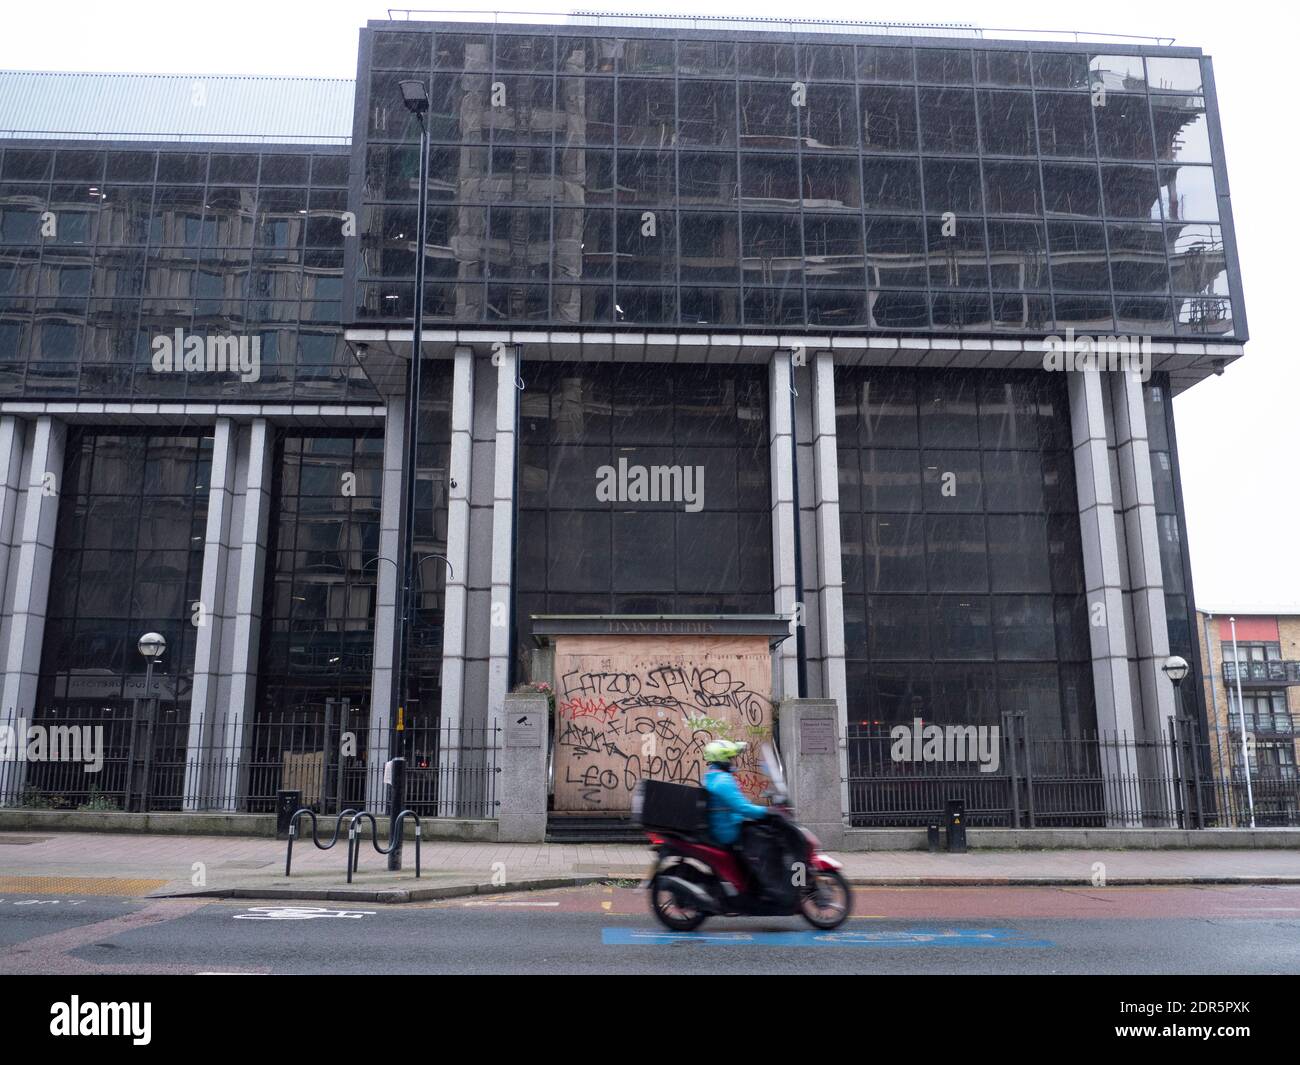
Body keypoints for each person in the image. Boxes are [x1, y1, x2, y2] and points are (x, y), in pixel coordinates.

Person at [702, 740, 773, 901]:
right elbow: (742, 808)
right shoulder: (723, 781)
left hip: (723, 825)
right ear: (723, 760)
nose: (733, 762)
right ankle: (757, 890)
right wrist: (768, 811)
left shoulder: (712, 776)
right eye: (731, 758)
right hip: (727, 831)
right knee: (763, 844)